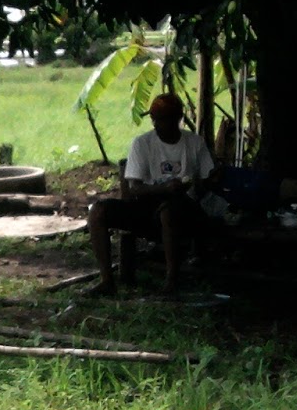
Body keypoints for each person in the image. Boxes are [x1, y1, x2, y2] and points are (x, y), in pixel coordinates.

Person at [87, 92, 218, 295]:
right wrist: (163, 189)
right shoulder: (142, 143)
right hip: (147, 204)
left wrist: (196, 185)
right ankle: (107, 281)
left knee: (169, 211)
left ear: (177, 119)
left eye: (162, 119)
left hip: (184, 206)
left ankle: (172, 280)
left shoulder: (194, 143)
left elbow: (208, 179)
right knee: (98, 211)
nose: (156, 124)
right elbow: (134, 188)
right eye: (155, 119)